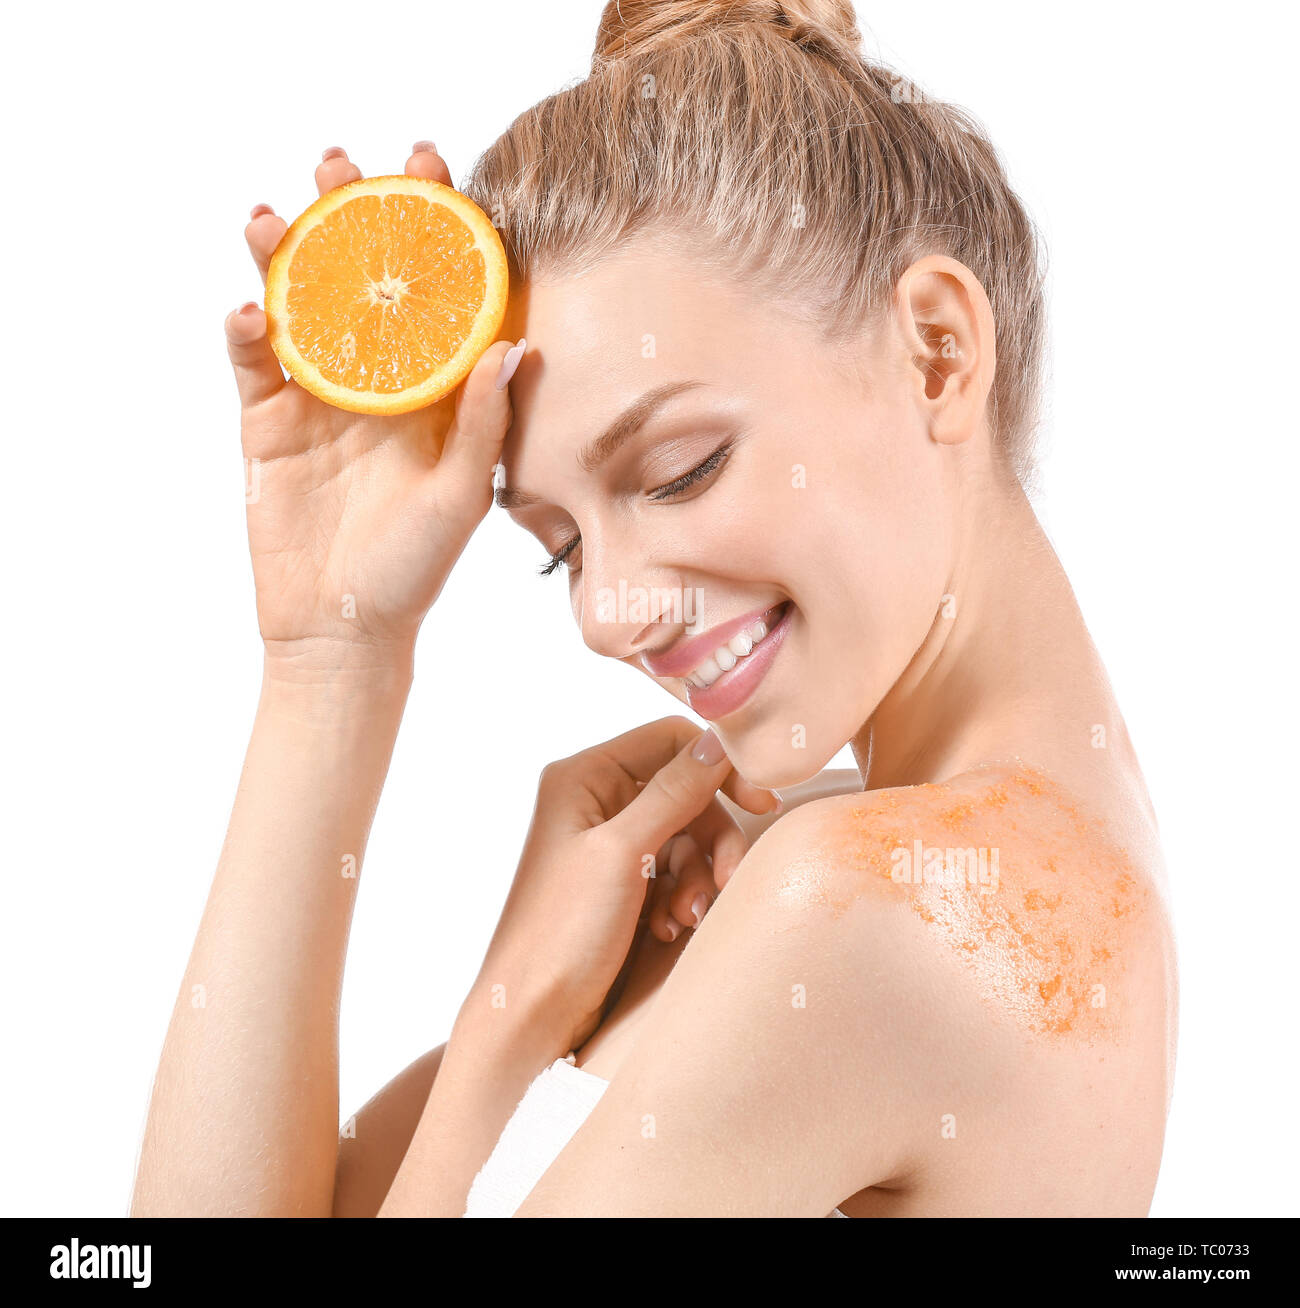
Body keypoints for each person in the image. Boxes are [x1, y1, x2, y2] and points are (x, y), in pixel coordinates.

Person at [132, 0, 1176, 1218]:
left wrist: (501, 1027)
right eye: (558, 545)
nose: (608, 615)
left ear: (937, 352)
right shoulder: (835, 861)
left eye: (680, 469)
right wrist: (332, 655)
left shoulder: (866, 912)